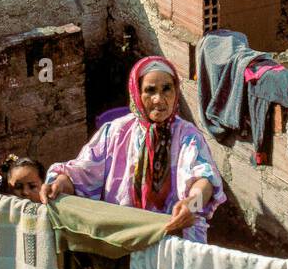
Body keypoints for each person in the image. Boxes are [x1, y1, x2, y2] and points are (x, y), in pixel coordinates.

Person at [40, 55, 225, 241]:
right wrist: (60, 184)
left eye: (166, 89)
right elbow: (81, 174)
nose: (159, 99)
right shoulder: (115, 132)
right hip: (123, 234)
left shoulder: (188, 136)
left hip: (171, 234)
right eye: (150, 91)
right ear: (137, 93)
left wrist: (191, 205)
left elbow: (205, 180)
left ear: (176, 91)